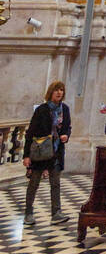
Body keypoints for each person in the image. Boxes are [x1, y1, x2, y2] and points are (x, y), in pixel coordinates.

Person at [23, 81, 71, 225]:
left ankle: (56, 212)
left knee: (55, 183)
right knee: (34, 183)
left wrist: (66, 135)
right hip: (41, 151)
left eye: (61, 90)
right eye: (56, 90)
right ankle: (28, 213)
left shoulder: (65, 109)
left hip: (56, 151)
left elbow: (68, 127)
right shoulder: (42, 110)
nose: (59, 92)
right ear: (51, 92)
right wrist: (26, 155)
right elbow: (30, 133)